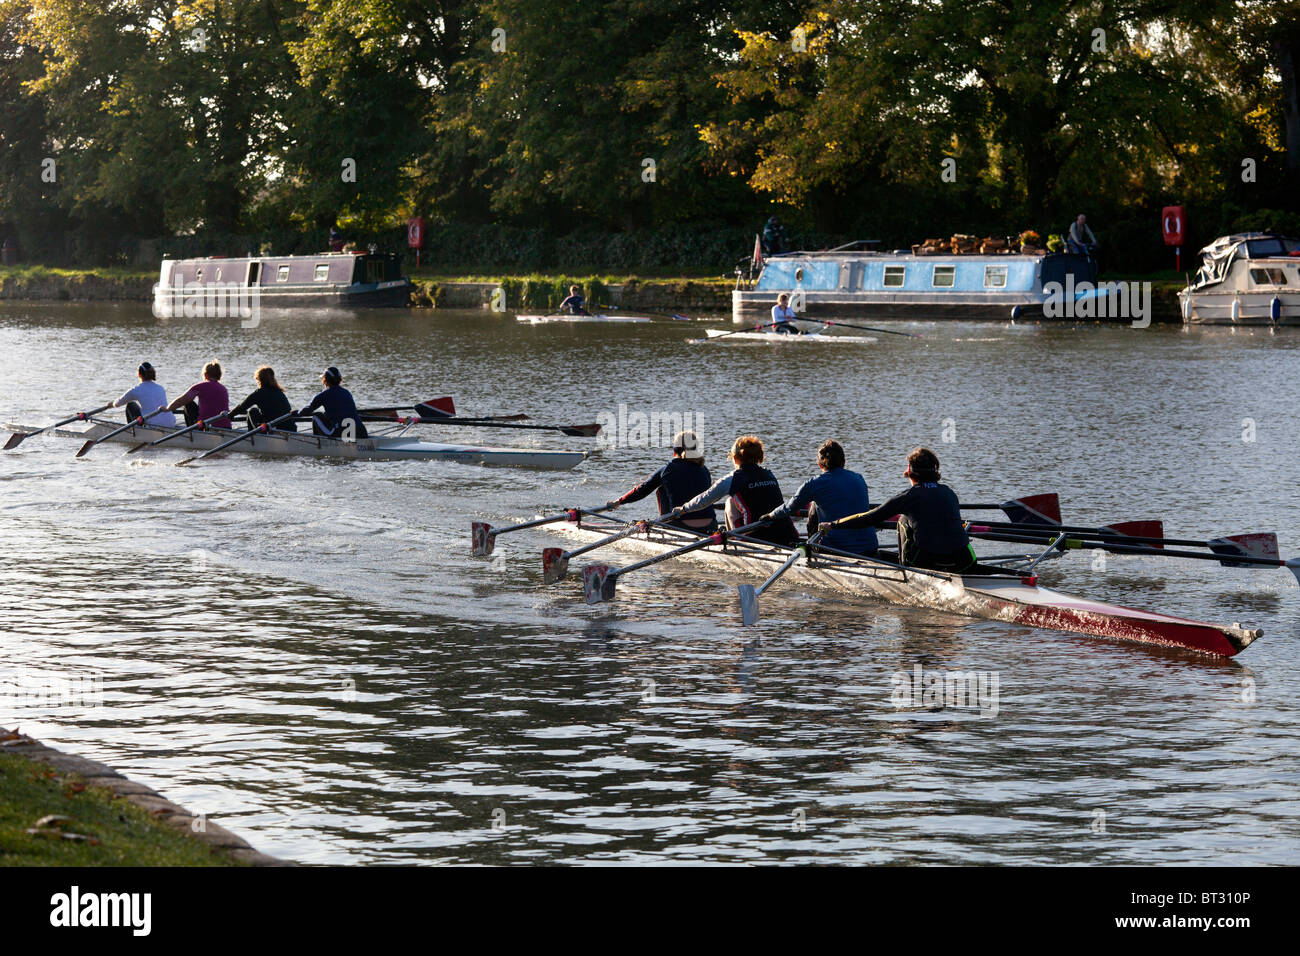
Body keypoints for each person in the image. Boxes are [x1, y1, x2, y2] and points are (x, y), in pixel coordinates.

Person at [819, 447, 977, 572]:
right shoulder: (949, 493)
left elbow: (869, 518)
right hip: (963, 562)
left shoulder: (908, 496)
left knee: (903, 520)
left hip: (927, 563)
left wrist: (833, 524)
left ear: (910, 472)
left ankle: (905, 569)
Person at [669, 435, 799, 546]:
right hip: (788, 535)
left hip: (756, 538)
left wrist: (684, 509)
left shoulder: (732, 479)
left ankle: (735, 542)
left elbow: (705, 499)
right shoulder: (769, 474)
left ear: (735, 458)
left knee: (730, 502)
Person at [762, 439, 877, 556]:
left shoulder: (814, 483)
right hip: (870, 547)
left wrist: (771, 515)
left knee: (814, 505)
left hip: (837, 550)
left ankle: (812, 549)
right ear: (844, 462)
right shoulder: (859, 478)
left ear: (820, 465)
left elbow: (789, 508)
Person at [604, 430, 716, 532]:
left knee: (661, 488)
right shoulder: (704, 469)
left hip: (680, 526)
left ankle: (666, 527)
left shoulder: (669, 469)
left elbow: (642, 490)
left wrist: (618, 502)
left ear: (675, 450)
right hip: (710, 526)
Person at [299, 366, 367, 439]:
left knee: (316, 416)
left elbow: (307, 410)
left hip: (343, 433)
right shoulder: (347, 393)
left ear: (325, 380)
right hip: (361, 432)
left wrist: (296, 413)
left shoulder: (324, 395)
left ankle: (318, 444)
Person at [230, 365, 296, 432]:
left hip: (274, 429)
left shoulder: (258, 393)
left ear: (259, 380)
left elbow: (241, 407)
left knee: (252, 411)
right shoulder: (279, 392)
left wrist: (229, 415)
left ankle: (254, 437)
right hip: (291, 429)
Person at [167, 360, 232, 428]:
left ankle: (191, 432)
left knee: (188, 404)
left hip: (204, 426)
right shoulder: (223, 389)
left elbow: (181, 400)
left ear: (205, 374)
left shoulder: (200, 386)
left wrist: (167, 409)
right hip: (226, 426)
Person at [112, 362, 176, 427]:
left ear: (139, 375)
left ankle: (134, 432)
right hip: (171, 423)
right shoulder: (161, 388)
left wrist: (111, 404)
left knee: (131, 405)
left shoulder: (136, 390)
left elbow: (117, 404)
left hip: (153, 425)